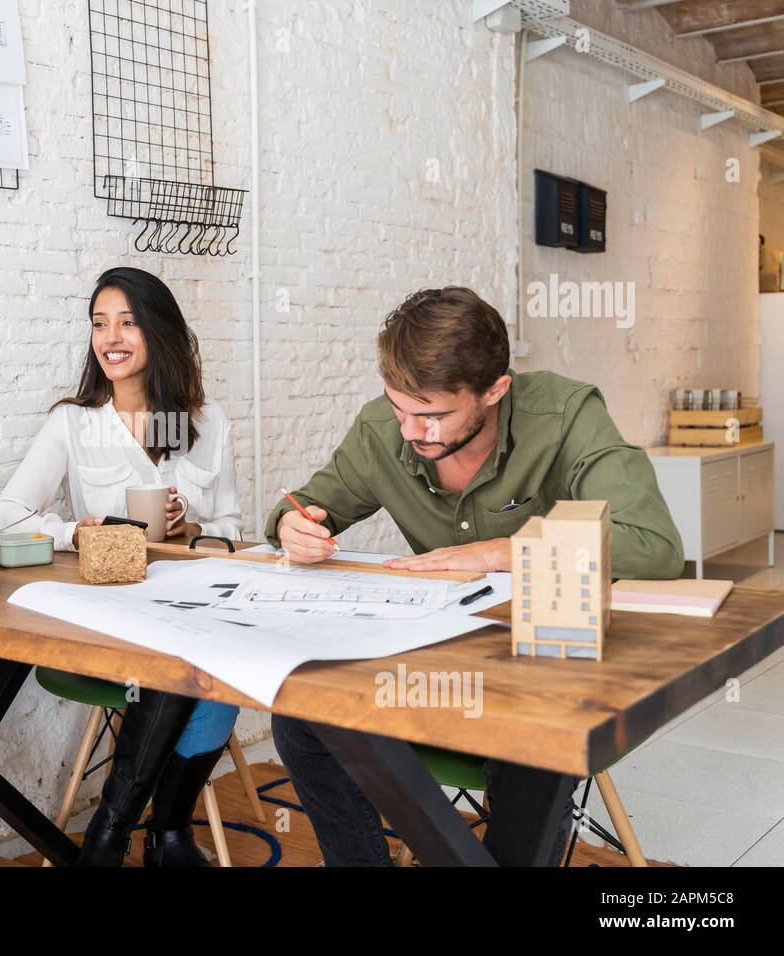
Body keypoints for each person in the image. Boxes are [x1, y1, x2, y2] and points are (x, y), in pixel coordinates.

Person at [265, 286, 683, 866]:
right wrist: (295, 526)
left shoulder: (564, 417)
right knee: (302, 713)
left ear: (494, 390)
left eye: (433, 415)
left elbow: (656, 547)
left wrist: (496, 552)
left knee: (533, 741)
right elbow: (305, 505)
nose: (412, 431)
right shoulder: (383, 431)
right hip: (434, 657)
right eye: (398, 408)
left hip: (544, 662)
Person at [0, 267, 244, 865]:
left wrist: (196, 530)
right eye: (100, 324)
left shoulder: (208, 425)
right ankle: (132, 832)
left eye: (128, 322)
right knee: (184, 655)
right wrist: (76, 532)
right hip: (114, 610)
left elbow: (235, 530)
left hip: (193, 603)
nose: (111, 337)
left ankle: (149, 831)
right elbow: (4, 515)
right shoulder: (75, 423)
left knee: (221, 658)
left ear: (161, 333)